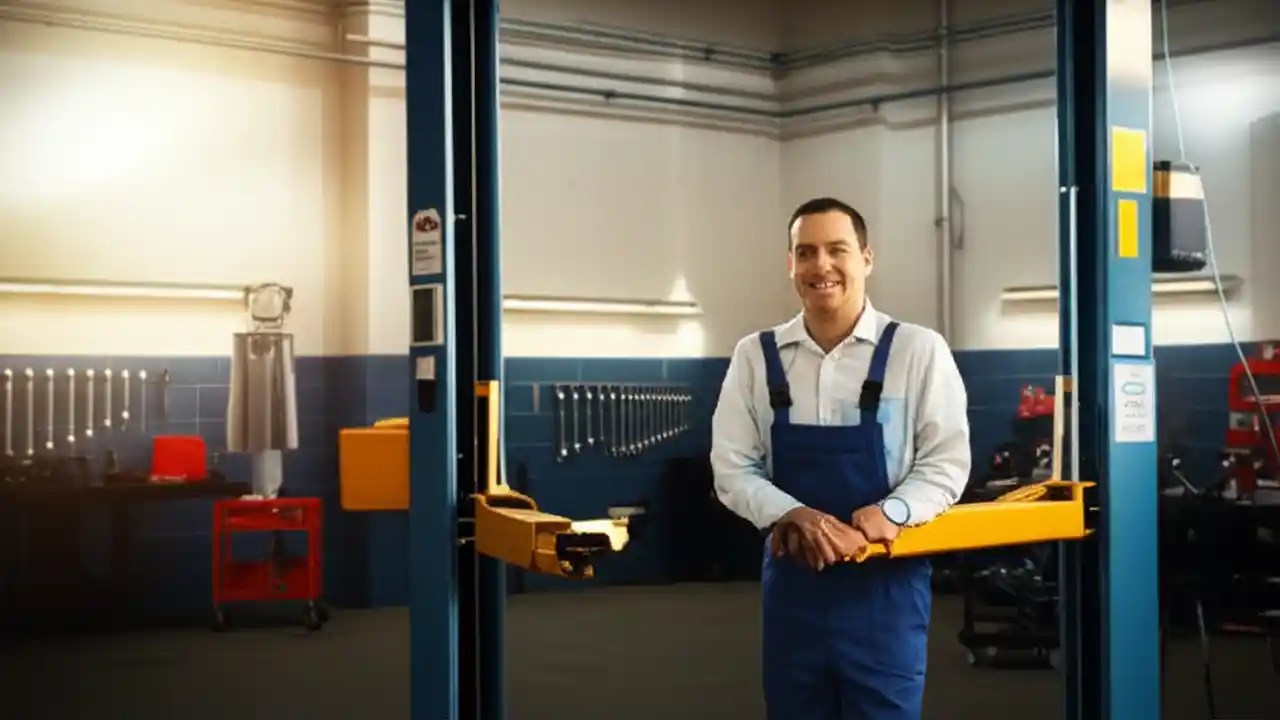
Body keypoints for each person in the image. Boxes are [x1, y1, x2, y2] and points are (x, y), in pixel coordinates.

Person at [710, 197, 971, 719]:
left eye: (837, 250)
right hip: (794, 589)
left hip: (885, 591)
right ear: (790, 265)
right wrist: (791, 514)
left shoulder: (918, 351)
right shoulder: (754, 358)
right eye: (805, 252)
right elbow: (732, 466)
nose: (821, 265)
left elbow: (945, 464)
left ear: (866, 258)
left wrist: (888, 514)